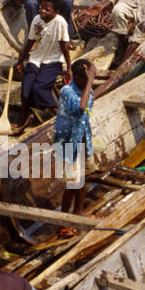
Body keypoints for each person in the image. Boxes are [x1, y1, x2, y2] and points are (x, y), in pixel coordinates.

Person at [15, 0, 72, 126]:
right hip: (36, 59)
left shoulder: (60, 22)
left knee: (39, 88)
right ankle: (23, 118)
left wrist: (69, 68)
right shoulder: (36, 19)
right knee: (26, 89)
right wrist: (20, 61)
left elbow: (64, 46)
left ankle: (58, 114)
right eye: (41, 8)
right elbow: (30, 41)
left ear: (56, 12)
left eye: (47, 10)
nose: (42, 11)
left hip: (53, 61)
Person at [54, 60, 95, 223]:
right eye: (86, 78)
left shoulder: (85, 88)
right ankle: (64, 221)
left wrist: (109, 82)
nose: (89, 81)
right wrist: (90, 80)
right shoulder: (67, 91)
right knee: (72, 184)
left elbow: (90, 99)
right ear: (77, 78)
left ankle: (78, 211)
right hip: (68, 143)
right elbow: (81, 107)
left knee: (82, 179)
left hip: (83, 138)